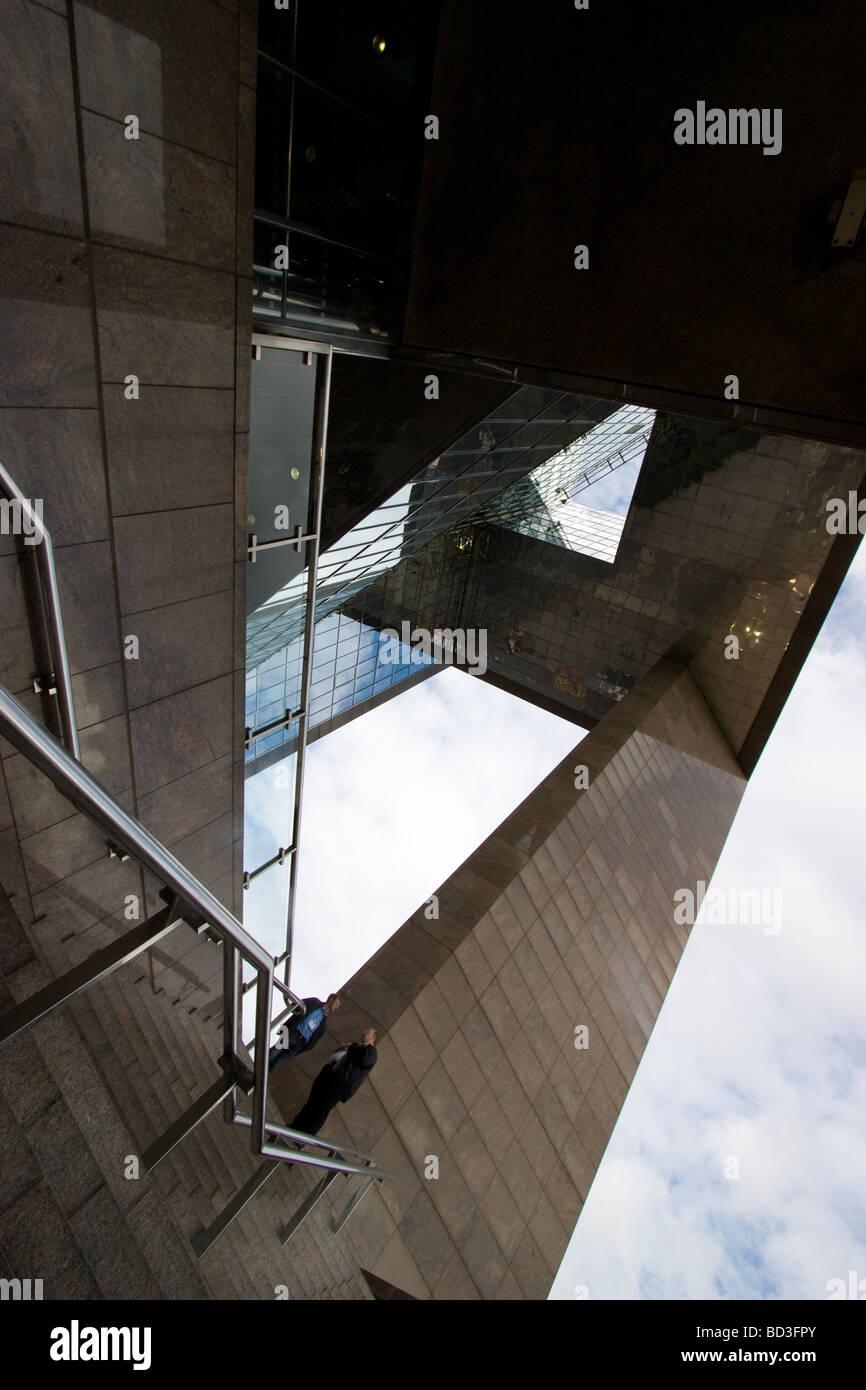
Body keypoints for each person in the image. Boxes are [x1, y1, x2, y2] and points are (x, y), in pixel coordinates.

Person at [288, 1028, 378, 1138]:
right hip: (329, 1075)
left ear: (372, 1038)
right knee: (312, 1102)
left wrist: (351, 1046)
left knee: (321, 1109)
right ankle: (296, 1126)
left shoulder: (371, 1051)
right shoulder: (358, 1047)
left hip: (339, 1083)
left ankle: (306, 1136)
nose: (364, 1032)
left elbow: (365, 1060)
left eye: (367, 1032)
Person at [268, 993, 340, 1074]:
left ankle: (262, 1076)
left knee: (278, 1063)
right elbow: (299, 1004)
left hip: (300, 1044)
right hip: (293, 1033)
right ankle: (257, 1066)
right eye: (336, 1004)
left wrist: (305, 1047)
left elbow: (315, 1039)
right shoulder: (314, 1002)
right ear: (331, 999)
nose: (337, 1007)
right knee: (275, 1052)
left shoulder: (323, 1024)